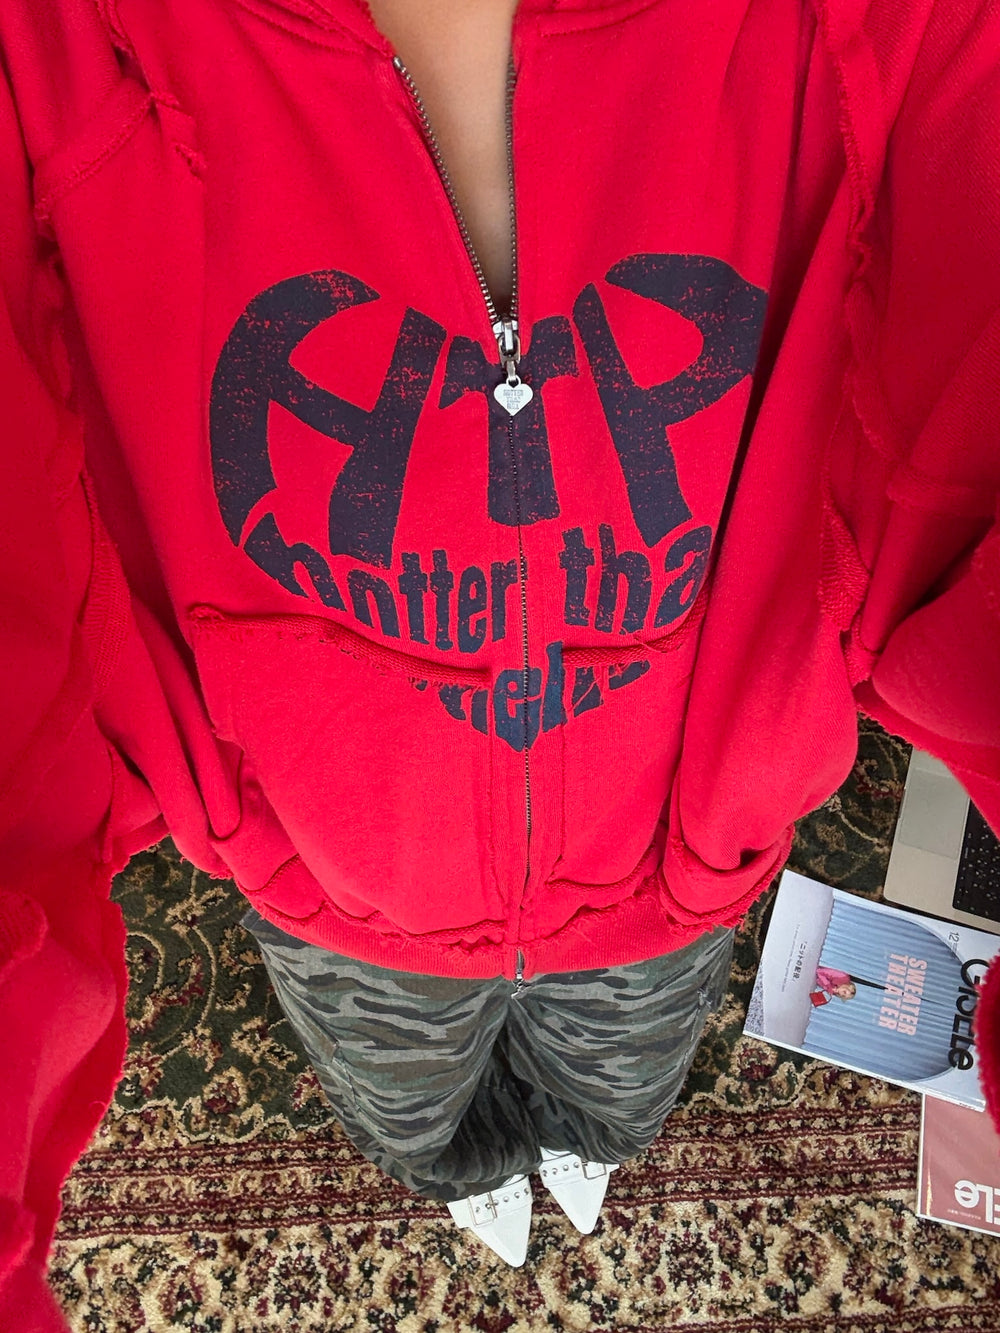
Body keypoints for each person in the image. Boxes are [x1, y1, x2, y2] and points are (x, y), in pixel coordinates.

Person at [2, 0, 1000, 1320]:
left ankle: (589, 1144)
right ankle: (453, 1170)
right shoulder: (48, 54)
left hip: (670, 886)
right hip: (341, 900)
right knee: (406, 1099)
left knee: (622, 1078)